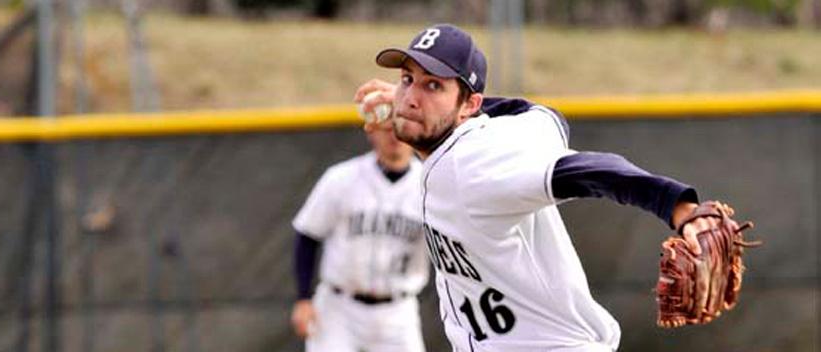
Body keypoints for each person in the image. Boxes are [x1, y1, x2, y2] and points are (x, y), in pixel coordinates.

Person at [354, 23, 722, 352]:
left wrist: (675, 205)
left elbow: (584, 170)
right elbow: (545, 116)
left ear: (469, 106)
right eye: (407, 80)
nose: (410, 97)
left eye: (433, 85)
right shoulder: (507, 130)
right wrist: (430, 104)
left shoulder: (469, 165)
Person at [290, 122, 429, 352]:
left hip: (398, 310)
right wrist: (303, 298)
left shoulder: (429, 184)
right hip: (339, 308)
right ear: (372, 132)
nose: (394, 137)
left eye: (399, 128)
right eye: (386, 129)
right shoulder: (341, 178)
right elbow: (308, 234)